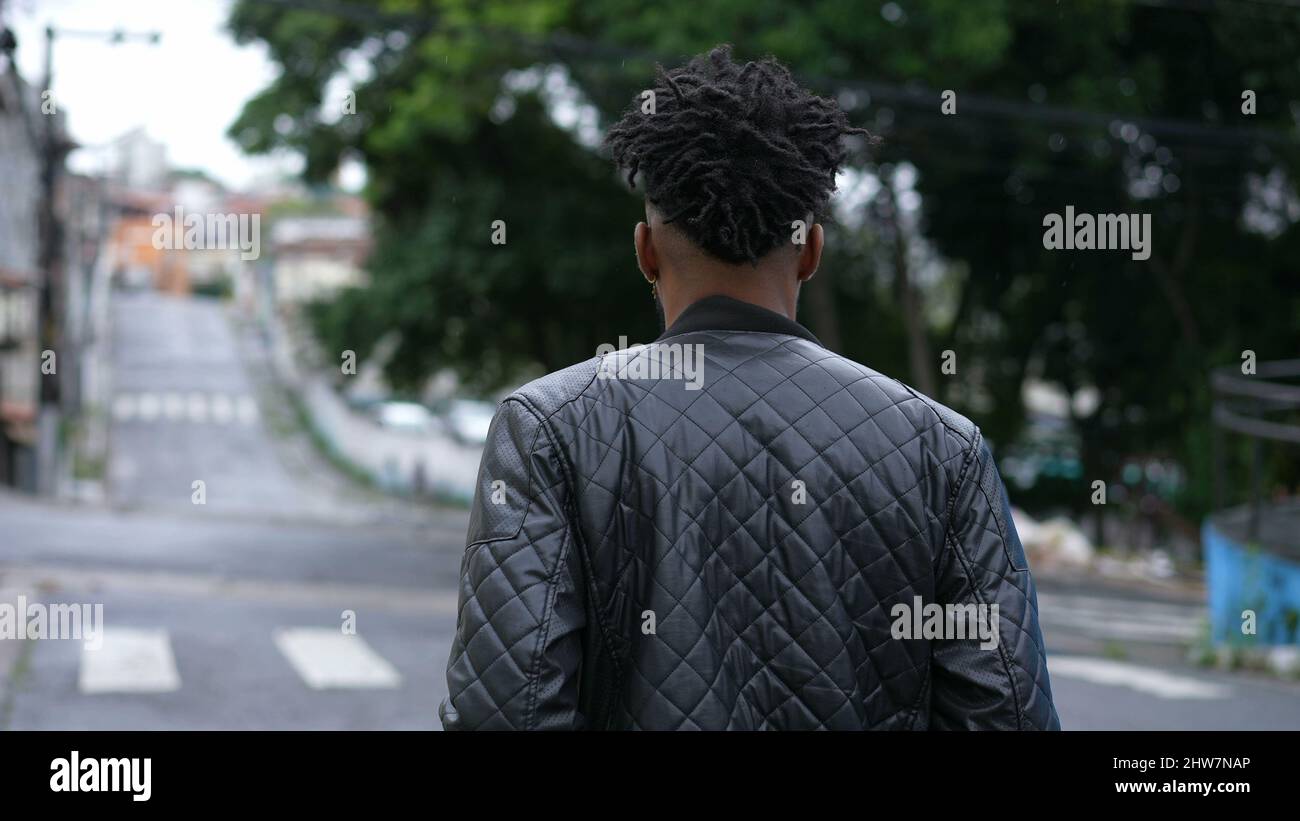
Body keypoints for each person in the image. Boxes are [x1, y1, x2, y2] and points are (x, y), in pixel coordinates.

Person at [440, 45, 1059, 730]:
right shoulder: (943, 447)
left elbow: (505, 712)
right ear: (813, 250)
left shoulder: (549, 427)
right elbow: (1007, 712)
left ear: (646, 250)